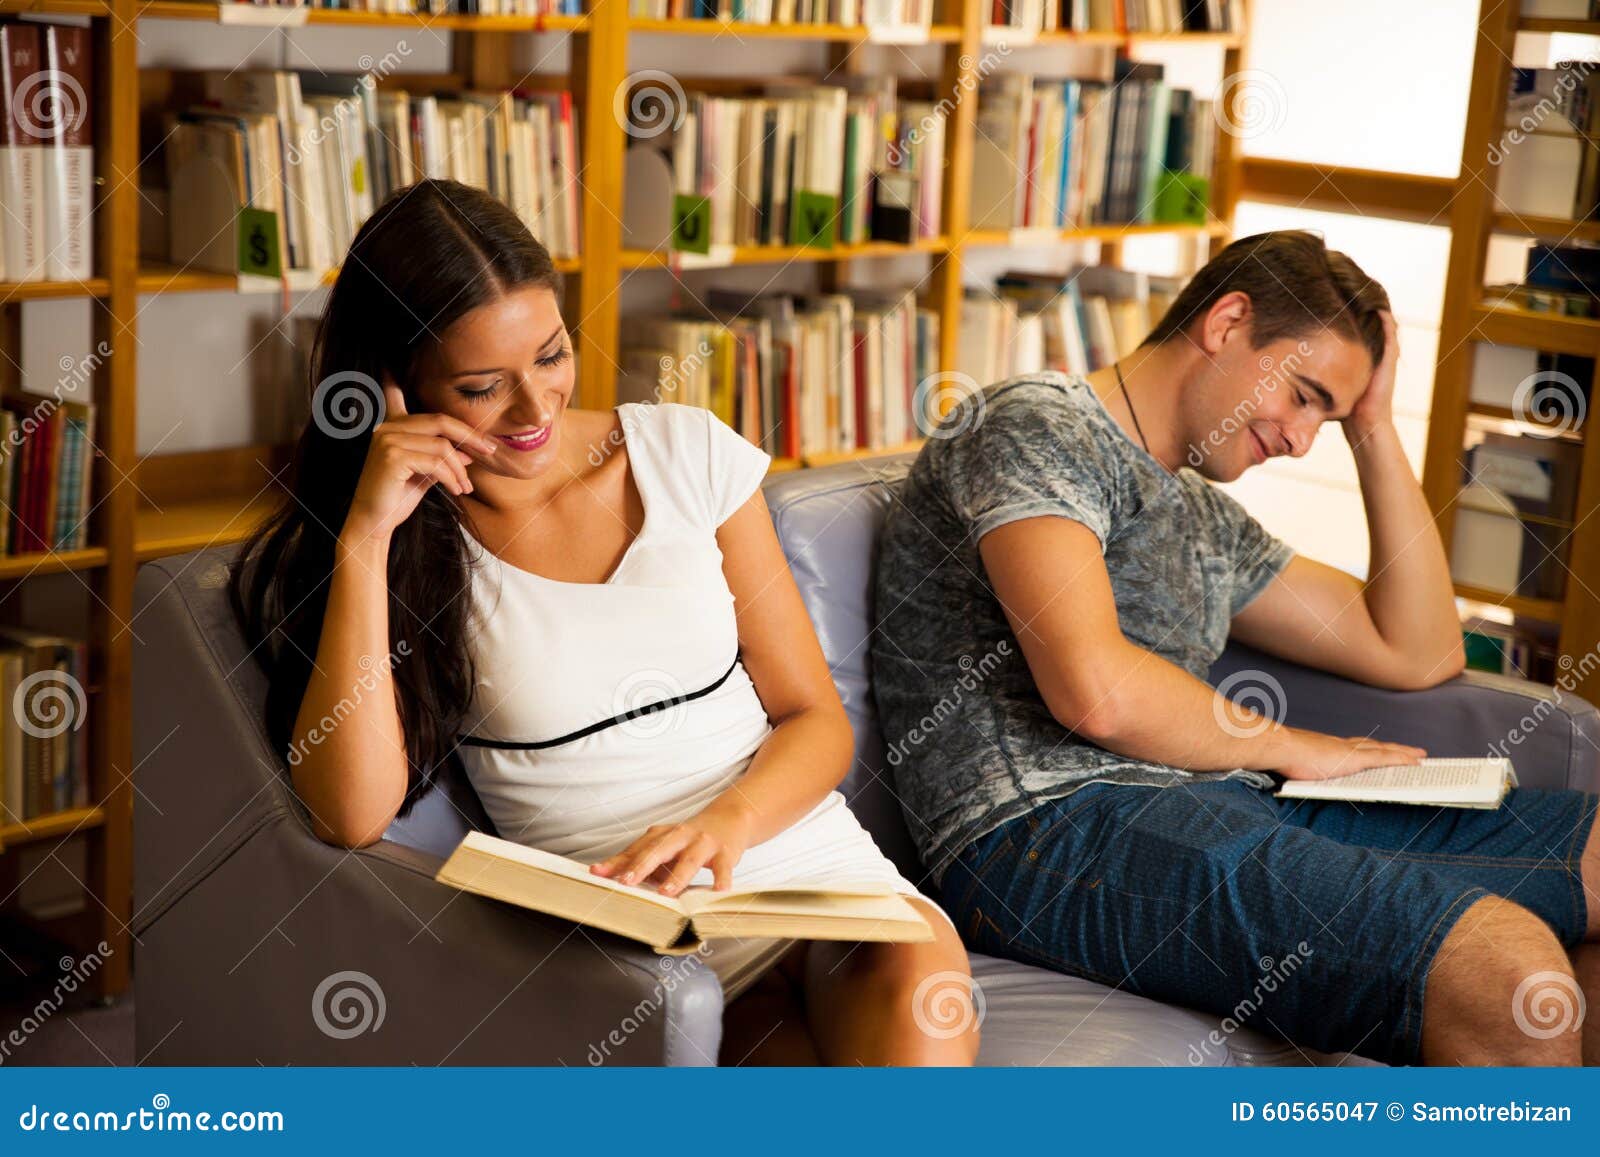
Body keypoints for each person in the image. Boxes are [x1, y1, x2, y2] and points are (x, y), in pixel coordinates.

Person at [230, 178, 978, 1066]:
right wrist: (365, 534)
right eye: (481, 386)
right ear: (398, 384)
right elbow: (351, 815)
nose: (535, 409)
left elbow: (816, 721)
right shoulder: (402, 539)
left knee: (918, 1001)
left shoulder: (684, 451)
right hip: (631, 938)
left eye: (550, 356)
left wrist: (727, 825)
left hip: (793, 863)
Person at [872, 229, 1600, 1066]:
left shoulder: (1200, 514)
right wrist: (1300, 747)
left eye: (1324, 416)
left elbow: (1417, 648)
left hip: (1215, 798)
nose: (1299, 438)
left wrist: (1373, 429)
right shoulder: (1030, 428)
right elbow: (1094, 688)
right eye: (1302, 393)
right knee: (1510, 972)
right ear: (1226, 323)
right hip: (1040, 830)